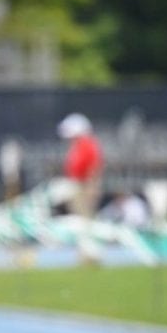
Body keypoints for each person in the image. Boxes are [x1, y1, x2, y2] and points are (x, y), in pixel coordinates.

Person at [57, 112, 104, 263]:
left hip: (84, 186)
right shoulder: (77, 146)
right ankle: (85, 253)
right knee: (80, 222)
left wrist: (92, 186)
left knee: (85, 222)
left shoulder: (87, 144)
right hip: (77, 185)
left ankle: (90, 254)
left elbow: (94, 166)